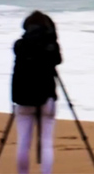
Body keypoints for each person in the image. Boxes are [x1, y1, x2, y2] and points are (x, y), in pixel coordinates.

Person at [11, 11, 62, 174]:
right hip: (46, 98)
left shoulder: (20, 45)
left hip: (23, 98)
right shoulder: (50, 46)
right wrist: (51, 37)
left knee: (23, 142)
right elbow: (57, 60)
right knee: (46, 142)